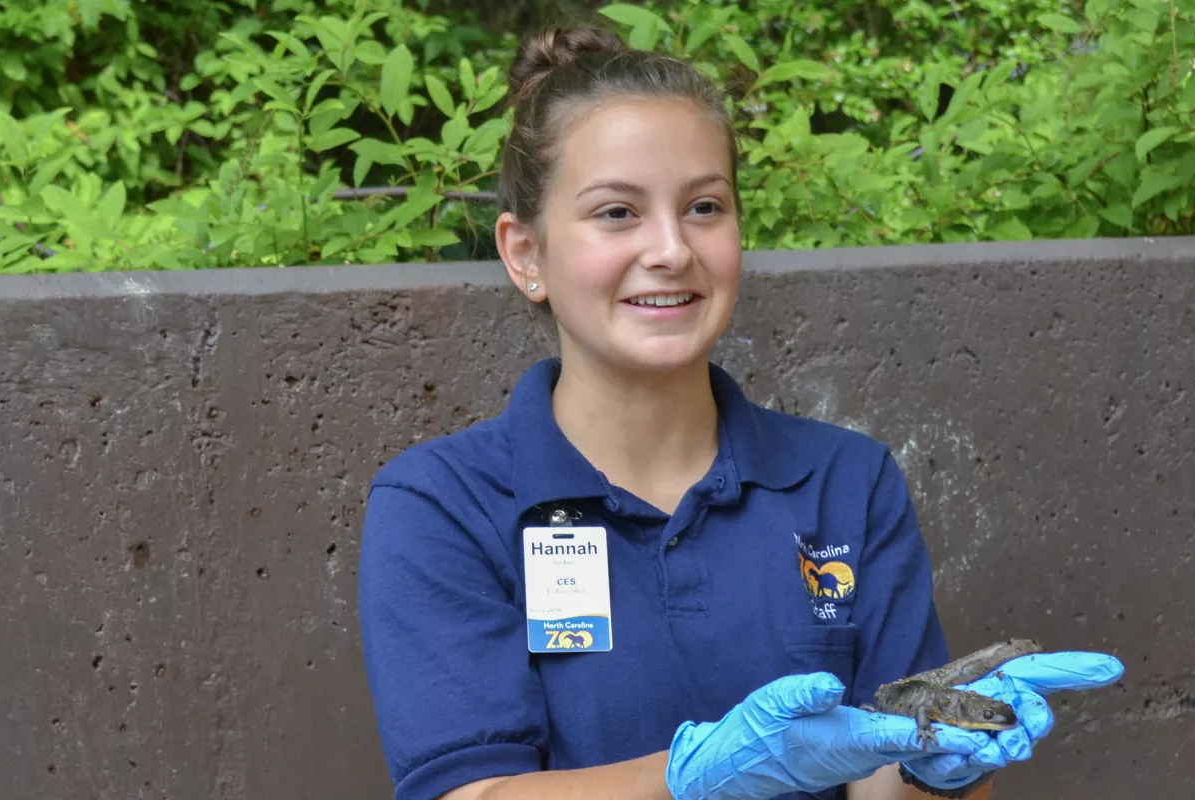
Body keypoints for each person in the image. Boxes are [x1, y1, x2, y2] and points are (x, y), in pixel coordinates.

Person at [355, 25, 1123, 800]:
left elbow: (880, 774)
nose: (671, 250)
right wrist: (694, 777)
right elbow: (470, 793)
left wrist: (940, 767)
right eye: (617, 212)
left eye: (704, 206)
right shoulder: (444, 505)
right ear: (525, 254)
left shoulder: (846, 483)